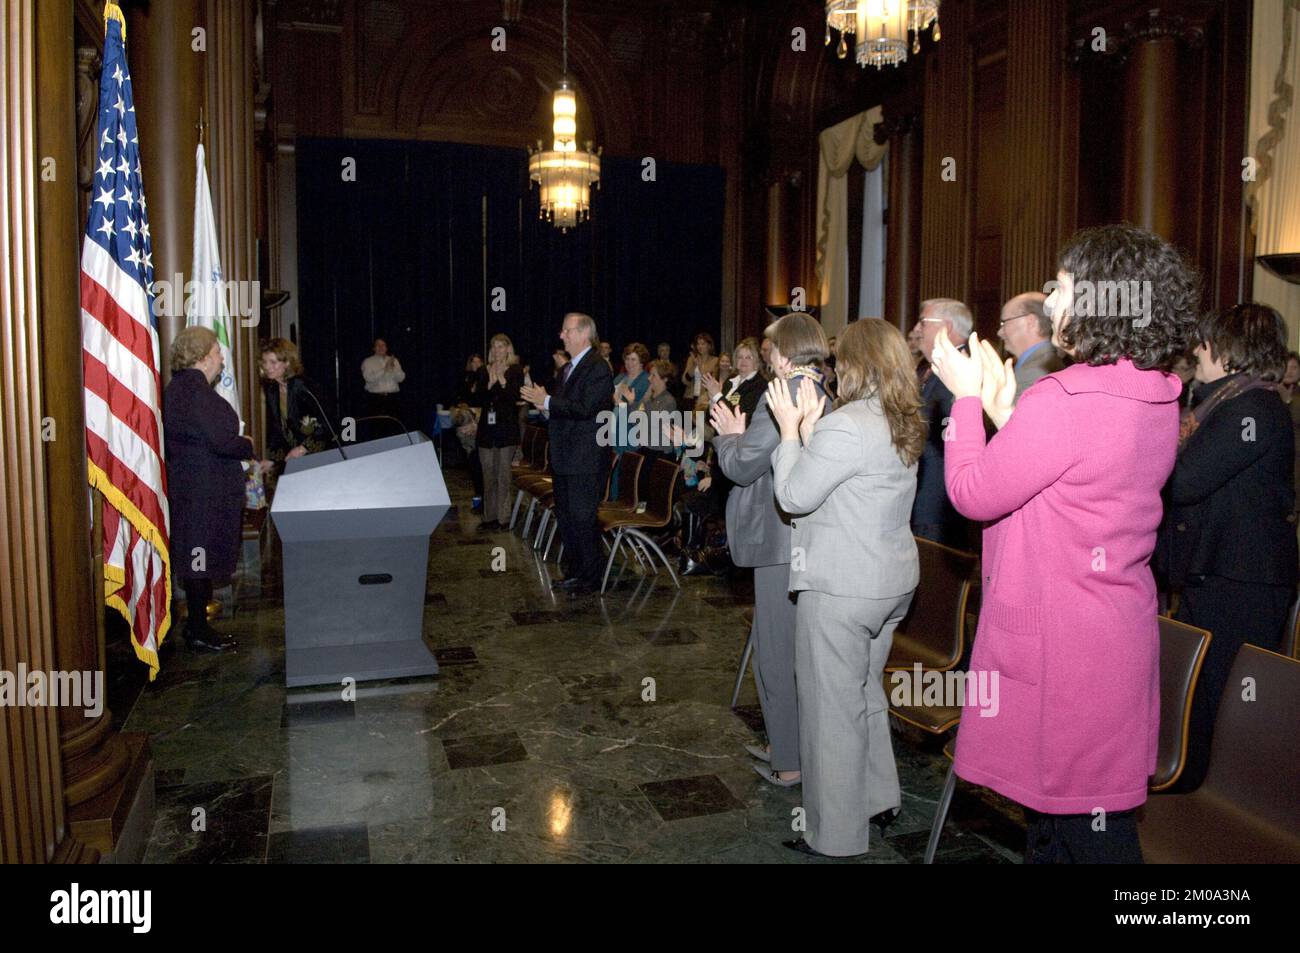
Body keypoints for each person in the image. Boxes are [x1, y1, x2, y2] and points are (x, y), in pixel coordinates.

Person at [929, 223, 1199, 863]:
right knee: (1072, 820)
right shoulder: (1153, 393)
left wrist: (966, 402)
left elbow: (971, 492)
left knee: (1086, 834)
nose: (1053, 302)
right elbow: (1073, 472)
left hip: (1060, 650)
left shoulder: (1065, 399)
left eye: (1066, 288)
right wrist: (1004, 414)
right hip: (1110, 635)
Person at [767, 318, 922, 857]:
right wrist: (812, 434)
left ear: (855, 364)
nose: (833, 369)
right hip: (890, 583)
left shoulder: (849, 423)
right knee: (861, 691)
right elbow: (847, 486)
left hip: (841, 588)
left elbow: (793, 496)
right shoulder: (902, 421)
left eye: (839, 361)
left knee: (829, 711)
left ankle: (835, 836)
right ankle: (879, 798)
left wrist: (789, 432)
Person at [1158, 303, 1298, 792]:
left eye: (1204, 341)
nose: (1195, 350)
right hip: (1223, 572)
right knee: (1203, 689)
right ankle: (1193, 785)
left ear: (1228, 350)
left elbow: (1188, 481)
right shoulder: (1226, 403)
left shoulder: (1251, 409)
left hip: (1244, 578)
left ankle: (1209, 795)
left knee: (1219, 693)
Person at [710, 314, 830, 791]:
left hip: (780, 541)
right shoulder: (820, 387)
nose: (766, 358)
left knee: (775, 653)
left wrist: (728, 433)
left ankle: (790, 759)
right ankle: (786, 743)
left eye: (770, 351)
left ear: (785, 352)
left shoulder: (782, 396)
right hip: (802, 539)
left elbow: (741, 467)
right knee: (780, 647)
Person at [166, 326, 265, 652]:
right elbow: (221, 441)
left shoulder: (180, 388)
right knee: (199, 559)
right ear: (204, 356)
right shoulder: (194, 392)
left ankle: (197, 626)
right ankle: (197, 629)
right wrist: (245, 444)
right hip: (203, 494)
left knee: (198, 558)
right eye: (219, 353)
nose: (223, 360)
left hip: (196, 490)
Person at [521, 313, 613, 595]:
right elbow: (566, 409)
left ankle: (590, 577)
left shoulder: (597, 367)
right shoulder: (567, 369)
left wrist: (547, 400)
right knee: (568, 517)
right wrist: (546, 406)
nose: (561, 335)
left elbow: (585, 408)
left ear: (584, 334)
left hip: (584, 458)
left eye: (566, 330)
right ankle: (576, 571)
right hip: (565, 456)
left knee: (583, 518)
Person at [910, 298, 972, 546]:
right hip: (925, 496)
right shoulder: (931, 369)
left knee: (936, 579)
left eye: (923, 322)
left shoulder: (960, 370)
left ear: (946, 327)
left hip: (938, 501)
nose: (916, 329)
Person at [471, 333, 525, 530]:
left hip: (506, 429)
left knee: (503, 475)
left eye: (501, 346)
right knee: (488, 474)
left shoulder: (516, 370)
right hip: (487, 429)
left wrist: (502, 381)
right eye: (494, 346)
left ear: (508, 349)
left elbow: (514, 398)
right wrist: (489, 384)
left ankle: (504, 517)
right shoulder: (483, 371)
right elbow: (477, 399)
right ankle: (489, 516)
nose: (497, 350)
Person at [260, 338, 332, 482]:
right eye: (265, 361)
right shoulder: (272, 389)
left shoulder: (302, 387)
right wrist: (272, 460)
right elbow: (277, 430)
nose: (267, 366)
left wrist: (303, 448)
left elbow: (328, 424)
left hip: (320, 456)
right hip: (296, 459)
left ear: (287, 363)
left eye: (273, 362)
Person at [997, 292, 1063, 399]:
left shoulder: (1033, 373)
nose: (999, 332)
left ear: (1031, 322)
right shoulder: (1050, 362)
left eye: (1004, 323)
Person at [610, 343, 651, 499]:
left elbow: (639, 406)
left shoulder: (645, 380)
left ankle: (623, 503)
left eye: (633, 360)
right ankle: (613, 500)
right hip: (615, 424)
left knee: (625, 468)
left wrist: (619, 401)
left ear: (641, 362)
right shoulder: (620, 377)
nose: (629, 363)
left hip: (631, 428)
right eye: (627, 359)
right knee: (613, 465)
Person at [361, 336, 405, 423]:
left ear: (387, 347)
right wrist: (385, 369)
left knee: (395, 428)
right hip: (376, 400)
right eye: (378, 345)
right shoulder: (368, 361)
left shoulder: (394, 360)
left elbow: (401, 378)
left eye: (383, 345)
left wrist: (394, 370)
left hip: (393, 399)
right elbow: (368, 378)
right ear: (374, 348)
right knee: (377, 429)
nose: (381, 347)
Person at [682, 332, 720, 406]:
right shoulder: (692, 359)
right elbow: (684, 381)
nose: (700, 346)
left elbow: (711, 382)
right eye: (698, 344)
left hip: (704, 399)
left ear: (709, 345)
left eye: (703, 344)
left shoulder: (715, 361)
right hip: (689, 398)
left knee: (700, 418)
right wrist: (694, 365)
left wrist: (700, 367)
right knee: (687, 417)